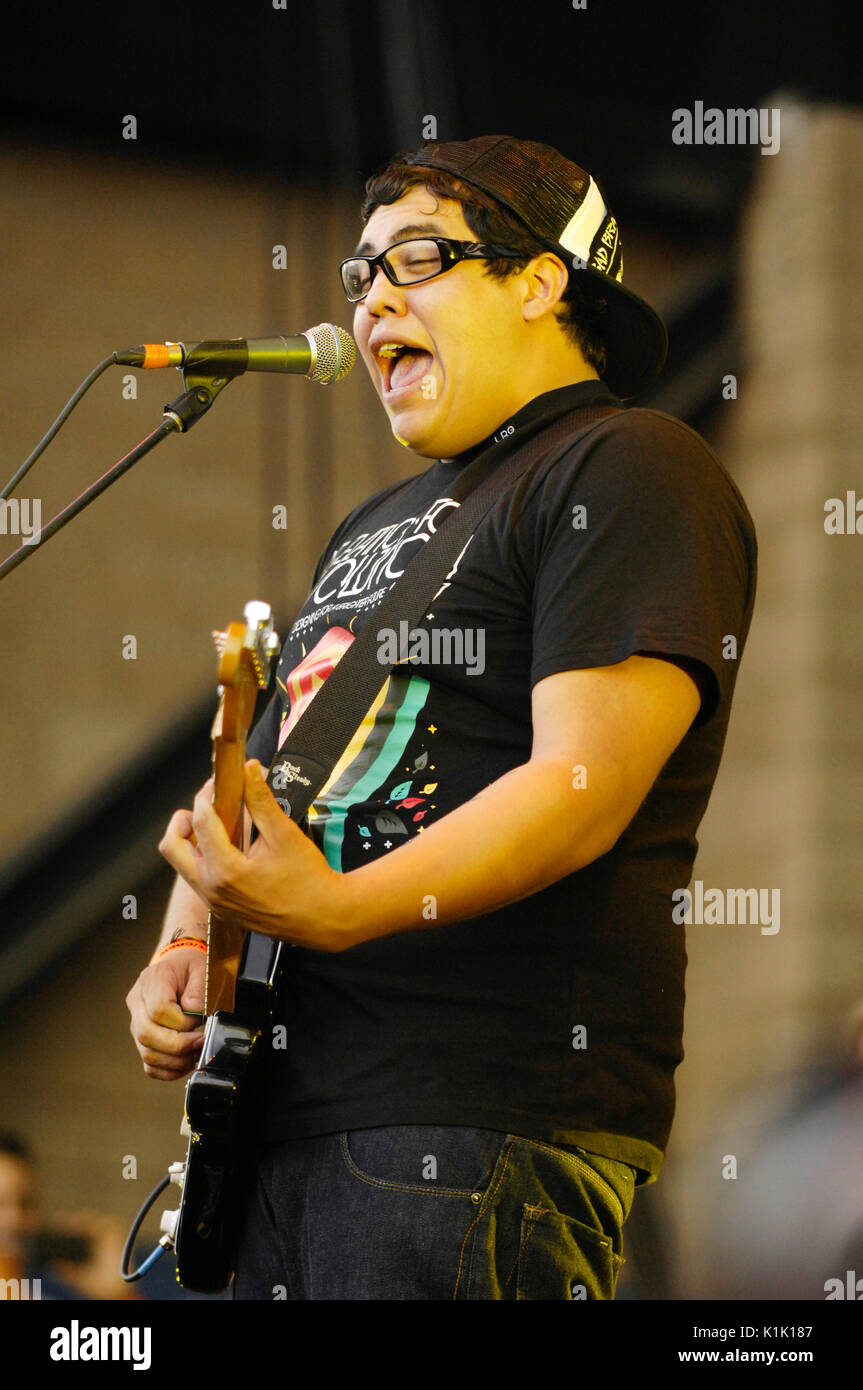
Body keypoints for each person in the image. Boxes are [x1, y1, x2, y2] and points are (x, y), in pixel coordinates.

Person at [126, 135, 757, 1300]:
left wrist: (344, 907)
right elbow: (261, 772)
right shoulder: (373, 525)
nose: (371, 301)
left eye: (415, 259)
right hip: (274, 1131)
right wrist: (180, 944)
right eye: (358, 276)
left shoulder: (626, 464)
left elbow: (583, 788)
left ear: (539, 281)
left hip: (466, 1126)